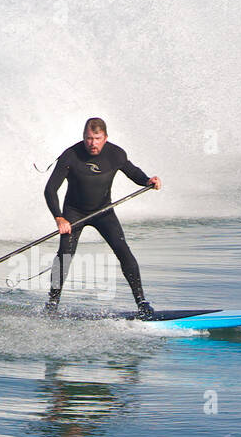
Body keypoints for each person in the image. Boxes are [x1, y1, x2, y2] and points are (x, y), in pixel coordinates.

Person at [43, 117, 161, 318]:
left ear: (105, 137)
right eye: (89, 138)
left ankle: (142, 303)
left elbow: (133, 172)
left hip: (103, 212)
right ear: (84, 137)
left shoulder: (116, 154)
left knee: (123, 250)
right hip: (74, 212)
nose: (92, 143)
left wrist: (147, 180)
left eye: (97, 138)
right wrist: (59, 218)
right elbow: (50, 190)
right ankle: (52, 303)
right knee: (64, 255)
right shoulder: (70, 156)